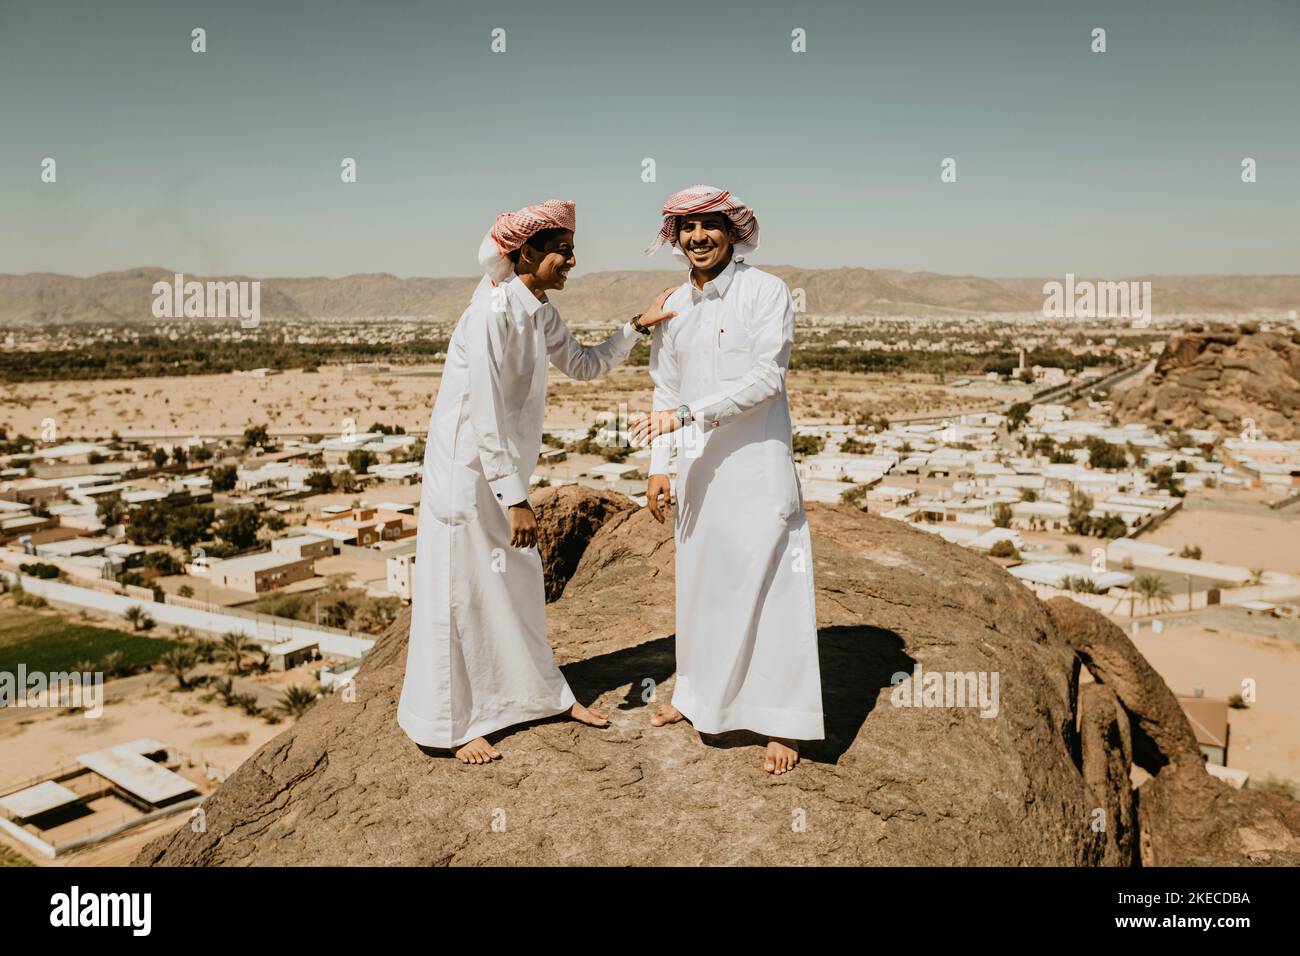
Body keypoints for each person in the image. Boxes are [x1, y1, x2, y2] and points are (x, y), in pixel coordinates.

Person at [398, 199, 675, 764]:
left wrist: (635, 327)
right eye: (561, 252)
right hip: (467, 474)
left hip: (502, 475)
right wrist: (515, 498)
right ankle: (445, 726)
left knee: (517, 581)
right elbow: (484, 414)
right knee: (460, 592)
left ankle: (539, 696)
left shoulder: (537, 310)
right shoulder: (490, 315)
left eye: (572, 251)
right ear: (525, 252)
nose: (571, 261)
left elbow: (584, 364)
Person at [629, 184, 823, 774]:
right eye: (685, 228)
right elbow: (665, 387)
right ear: (674, 238)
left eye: (709, 225)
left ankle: (780, 721)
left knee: (772, 588)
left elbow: (768, 378)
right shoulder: (672, 307)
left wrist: (689, 415)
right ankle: (696, 699)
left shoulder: (767, 292)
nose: (697, 237)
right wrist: (660, 467)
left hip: (756, 464)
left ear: (733, 231)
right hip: (697, 470)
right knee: (701, 587)